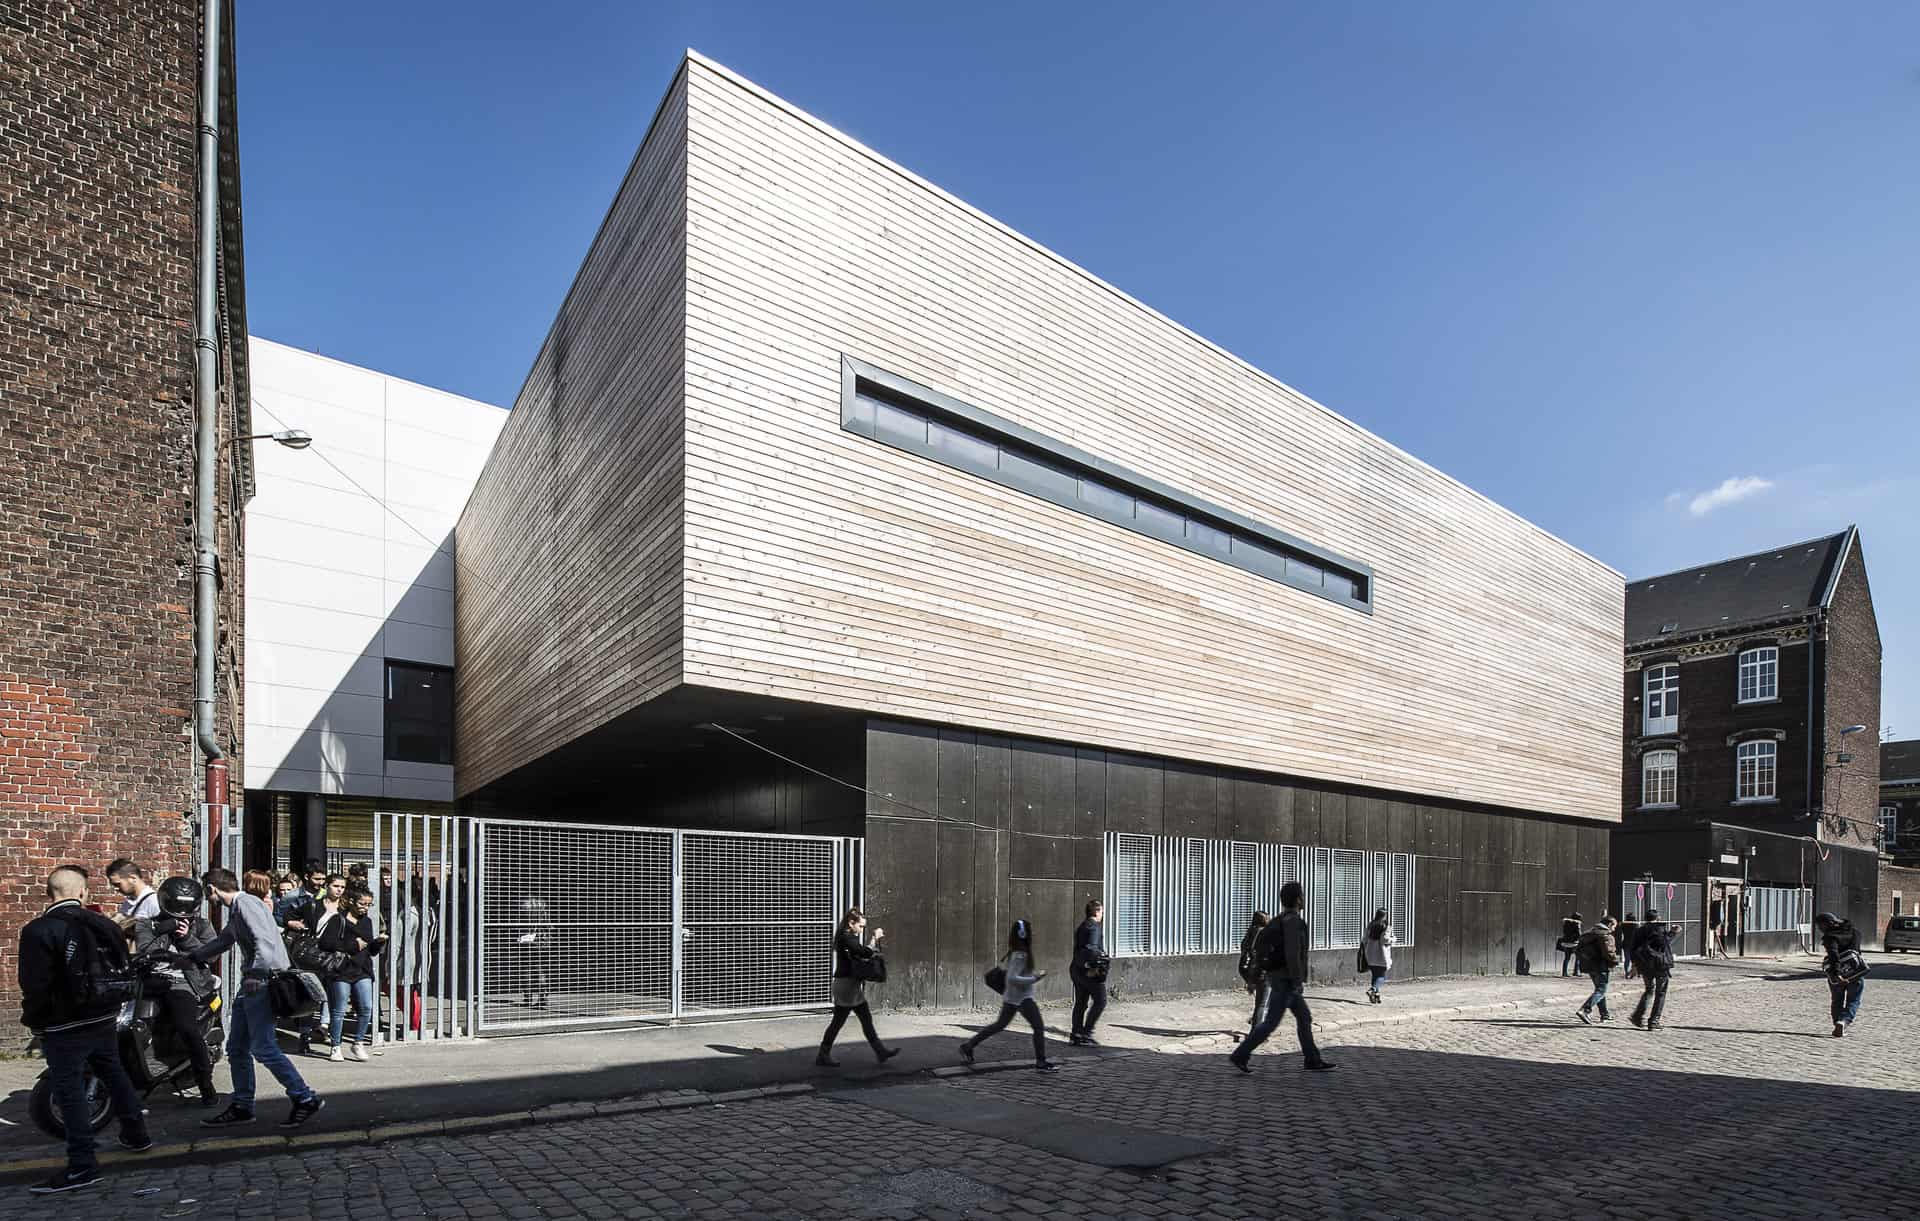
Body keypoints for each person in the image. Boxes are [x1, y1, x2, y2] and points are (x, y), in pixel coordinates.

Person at [17, 866, 150, 1193]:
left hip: (64, 1021)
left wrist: (37, 1021)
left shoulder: (39, 930)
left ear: (50, 894)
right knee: (113, 1071)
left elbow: (33, 984)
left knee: (70, 1088)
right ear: (82, 893)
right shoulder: (103, 924)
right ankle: (136, 1134)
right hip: (104, 1012)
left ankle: (82, 1165)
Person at [185, 867, 326, 1129]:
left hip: (261, 983)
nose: (207, 898)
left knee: (263, 1047)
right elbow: (223, 941)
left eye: (207, 892)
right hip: (252, 985)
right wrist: (191, 958)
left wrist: (255, 974)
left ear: (212, 888)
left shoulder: (246, 904)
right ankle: (242, 1106)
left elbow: (265, 943)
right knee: (237, 1047)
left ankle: (304, 1097)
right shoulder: (239, 909)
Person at [132, 876, 221, 1104]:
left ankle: (205, 1084)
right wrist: (163, 932)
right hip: (149, 981)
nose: (181, 914)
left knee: (187, 1028)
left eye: (186, 908)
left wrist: (186, 938)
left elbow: (212, 954)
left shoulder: (201, 925)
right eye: (176, 907)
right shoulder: (148, 923)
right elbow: (143, 949)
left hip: (182, 983)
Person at [1229, 881, 1335, 1073]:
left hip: (1277, 976)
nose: (1303, 899)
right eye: (1302, 896)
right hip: (1286, 980)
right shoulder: (1294, 922)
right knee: (1271, 1023)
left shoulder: (1278, 920)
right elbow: (1293, 953)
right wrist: (1297, 980)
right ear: (1298, 899)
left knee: (1304, 1017)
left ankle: (1312, 1059)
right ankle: (1240, 1054)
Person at [958, 919, 1055, 1071]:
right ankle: (1041, 1062)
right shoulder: (1021, 954)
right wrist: (1034, 978)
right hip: (1022, 998)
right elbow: (1012, 977)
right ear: (1024, 934)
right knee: (1038, 1026)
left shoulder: (1015, 951)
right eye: (1030, 931)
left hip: (1013, 996)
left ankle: (968, 1046)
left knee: (999, 1025)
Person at [816, 907, 899, 1067]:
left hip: (849, 985)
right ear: (851, 923)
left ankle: (880, 1051)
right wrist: (874, 939)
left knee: (862, 1018)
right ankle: (823, 1054)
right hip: (846, 986)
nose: (861, 930)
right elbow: (863, 952)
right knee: (840, 1021)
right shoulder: (846, 938)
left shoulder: (847, 937)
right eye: (860, 926)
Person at [320, 886, 383, 1060]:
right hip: (341, 970)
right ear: (352, 902)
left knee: (366, 1007)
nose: (365, 908)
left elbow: (370, 949)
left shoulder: (367, 921)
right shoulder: (337, 920)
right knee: (339, 1009)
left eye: (369, 904)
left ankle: (358, 1043)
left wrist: (378, 943)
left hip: (362, 969)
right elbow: (325, 943)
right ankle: (336, 1046)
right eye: (362, 903)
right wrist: (353, 946)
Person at [1815, 912, 1866, 1037]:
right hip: (1856, 971)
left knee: (1837, 1000)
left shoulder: (1830, 937)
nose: (1820, 929)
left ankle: (1838, 1021)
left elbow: (1833, 955)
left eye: (1820, 926)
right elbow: (1856, 951)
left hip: (1837, 973)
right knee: (1854, 1000)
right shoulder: (1854, 932)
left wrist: (1837, 973)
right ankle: (1844, 1021)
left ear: (1828, 924)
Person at [1069, 899, 1108, 1046]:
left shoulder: (1082, 926)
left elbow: (1081, 949)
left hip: (1076, 969)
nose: (1102, 914)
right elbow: (1091, 948)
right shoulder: (1094, 927)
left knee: (1080, 1002)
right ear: (1096, 912)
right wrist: (1093, 967)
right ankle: (1086, 1033)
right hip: (1090, 972)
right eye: (1102, 911)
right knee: (1101, 1000)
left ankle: (1076, 1034)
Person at [1628, 908, 1673, 1030]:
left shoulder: (1639, 930)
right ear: (1658, 918)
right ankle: (1654, 1021)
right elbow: (1663, 944)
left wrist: (1634, 965)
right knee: (1660, 993)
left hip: (1645, 966)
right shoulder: (1659, 929)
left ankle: (1637, 1016)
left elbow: (1632, 949)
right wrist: (1672, 933)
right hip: (1660, 966)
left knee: (1649, 990)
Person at [1573, 915, 1619, 1024]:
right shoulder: (1605, 935)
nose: (1614, 929)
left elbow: (1578, 950)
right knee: (1601, 990)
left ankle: (1605, 1014)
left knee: (1599, 990)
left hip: (1589, 966)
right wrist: (1615, 961)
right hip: (1601, 966)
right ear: (1609, 924)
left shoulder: (1588, 934)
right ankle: (1585, 1009)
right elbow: (1609, 952)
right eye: (1614, 926)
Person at [1238, 911, 1270, 1029]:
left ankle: (1257, 1019)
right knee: (1262, 1004)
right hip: (1263, 972)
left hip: (1249, 971)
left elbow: (1244, 951)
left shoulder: (1250, 933)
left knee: (1263, 1001)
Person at [106, 859, 158, 928]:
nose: (116, 889)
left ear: (133, 878)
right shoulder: (128, 902)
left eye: (118, 884)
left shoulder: (154, 902)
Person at [1362, 908, 1393, 1003]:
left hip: (1370, 953)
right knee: (1382, 977)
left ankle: (1376, 996)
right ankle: (1373, 989)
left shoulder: (1371, 925)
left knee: (1375, 975)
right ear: (1384, 916)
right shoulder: (1386, 926)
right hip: (1381, 954)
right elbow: (1385, 940)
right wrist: (1393, 939)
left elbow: (1364, 939)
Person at [1558, 910, 1583, 976]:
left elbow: (1564, 932)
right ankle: (1576, 972)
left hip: (1566, 942)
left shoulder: (1566, 923)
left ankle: (1564, 972)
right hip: (1574, 943)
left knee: (1567, 958)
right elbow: (1578, 934)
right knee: (1578, 957)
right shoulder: (1577, 924)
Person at [1616, 913, 1638, 978]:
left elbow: (1619, 930)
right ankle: (1633, 972)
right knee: (1634, 960)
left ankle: (1627, 973)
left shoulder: (1624, 925)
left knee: (1627, 959)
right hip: (1634, 944)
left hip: (1626, 944)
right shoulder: (1635, 925)